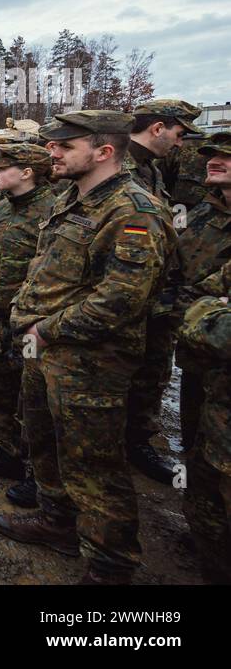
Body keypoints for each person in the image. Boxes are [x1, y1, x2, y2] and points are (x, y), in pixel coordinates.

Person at [0, 110, 175, 584]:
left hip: (89, 360)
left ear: (104, 152)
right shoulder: (75, 198)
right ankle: (57, 522)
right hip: (45, 350)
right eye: (52, 144)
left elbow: (121, 300)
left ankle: (111, 565)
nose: (51, 152)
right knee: (44, 441)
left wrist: (48, 330)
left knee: (92, 462)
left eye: (63, 146)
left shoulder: (133, 210)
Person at [0, 144, 57, 488]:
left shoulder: (53, 210)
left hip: (31, 322)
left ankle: (39, 473)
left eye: (2, 169)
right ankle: (7, 451)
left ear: (27, 172)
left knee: (33, 400)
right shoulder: (1, 209)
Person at [124, 99, 203, 482]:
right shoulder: (118, 168)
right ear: (158, 128)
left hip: (159, 291)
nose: (181, 144)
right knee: (124, 369)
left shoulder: (150, 169)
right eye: (179, 134)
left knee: (153, 369)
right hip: (130, 292)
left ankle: (137, 440)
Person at [167, 132, 231, 450]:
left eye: (227, 156)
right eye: (213, 154)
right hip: (195, 349)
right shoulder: (205, 210)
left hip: (223, 354)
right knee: (194, 437)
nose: (214, 161)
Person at [177, 261, 231, 582]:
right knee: (202, 506)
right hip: (216, 421)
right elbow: (188, 301)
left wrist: (212, 314)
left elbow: (220, 333)